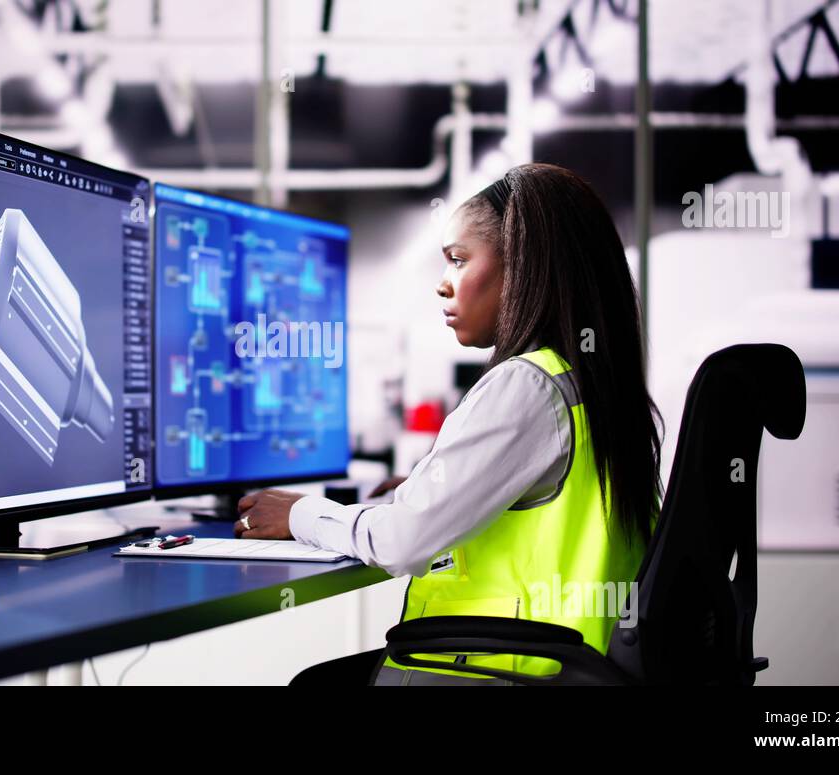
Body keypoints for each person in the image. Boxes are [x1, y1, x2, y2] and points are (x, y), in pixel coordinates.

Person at [234, 163, 663, 685]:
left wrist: (301, 513)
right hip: (580, 665)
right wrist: (428, 489)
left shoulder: (526, 386)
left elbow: (404, 543)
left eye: (459, 260)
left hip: (507, 669)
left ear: (526, 268)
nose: (442, 284)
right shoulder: (592, 383)